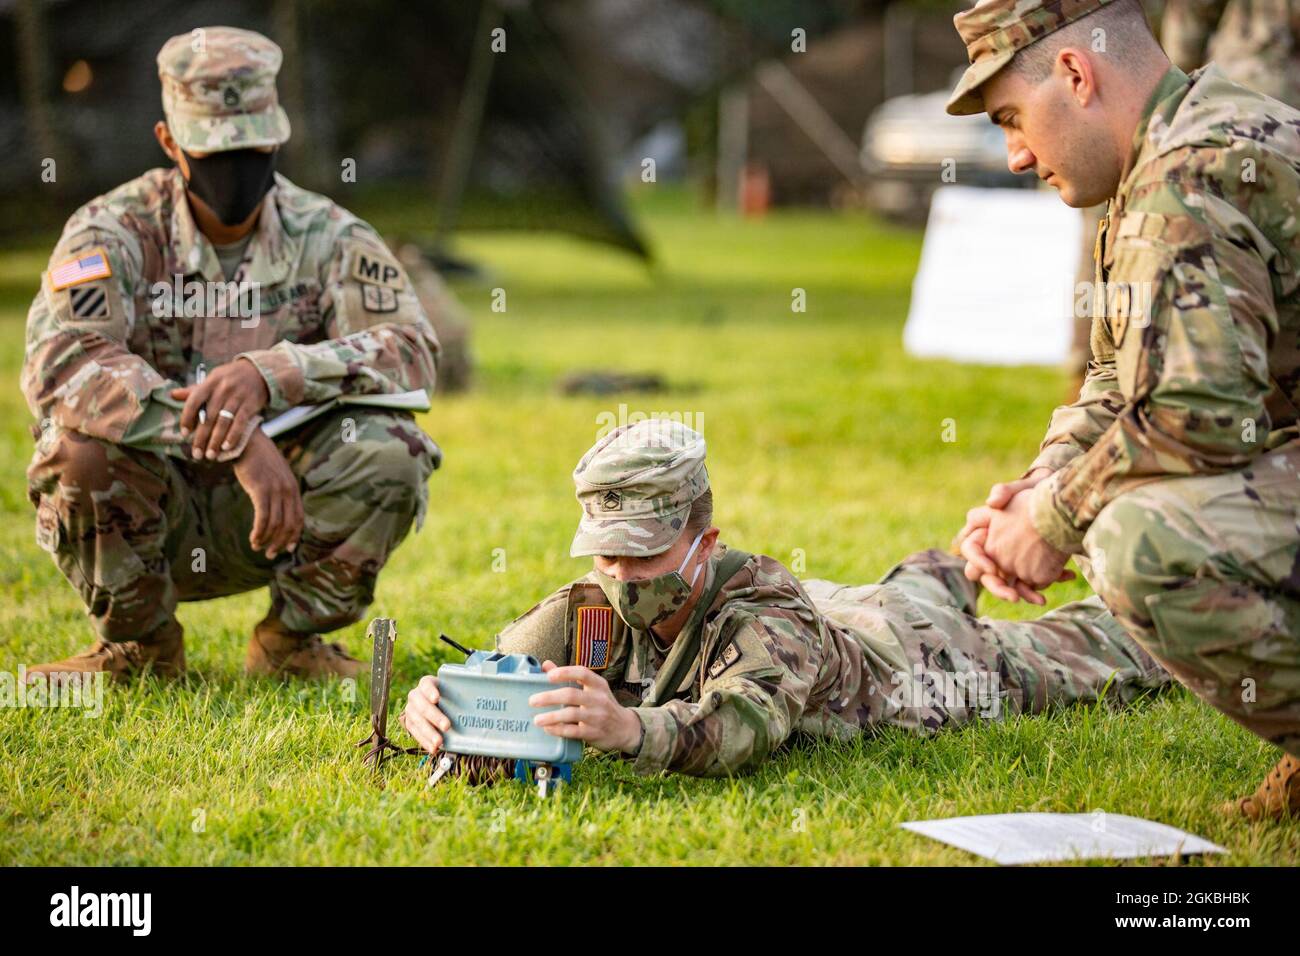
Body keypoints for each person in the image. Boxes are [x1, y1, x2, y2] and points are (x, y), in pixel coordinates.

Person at [946, 0, 1300, 819]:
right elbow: (1117, 377)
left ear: (1075, 73)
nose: (1016, 154)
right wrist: (1033, 488)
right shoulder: (1165, 152)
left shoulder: (1193, 172)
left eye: (1012, 118)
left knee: (1141, 544)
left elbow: (1198, 413)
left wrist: (1053, 521)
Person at [22, 26, 442, 681]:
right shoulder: (114, 228)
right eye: (214, 150)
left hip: (284, 513)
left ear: (277, 135)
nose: (235, 168)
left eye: (249, 146)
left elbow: (411, 351)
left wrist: (275, 373)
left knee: (392, 447)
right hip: (148, 509)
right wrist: (234, 436)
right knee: (76, 448)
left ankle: (291, 645)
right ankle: (140, 650)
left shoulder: (329, 234)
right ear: (169, 142)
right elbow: (62, 360)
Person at [400, 421, 1168, 778]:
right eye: (607, 553)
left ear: (706, 540)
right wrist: (441, 704)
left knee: (1092, 652)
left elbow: (743, 728)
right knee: (912, 585)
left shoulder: (768, 615)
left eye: (645, 552)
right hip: (843, 610)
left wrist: (629, 728)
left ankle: (1139, 594)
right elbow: (497, 671)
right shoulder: (586, 609)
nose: (623, 574)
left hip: (907, 667)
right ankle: (949, 567)